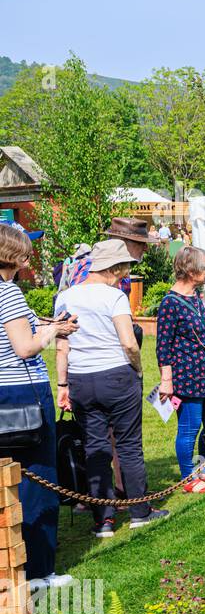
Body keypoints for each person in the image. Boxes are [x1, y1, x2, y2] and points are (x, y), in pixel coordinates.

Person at [54, 240, 169, 538]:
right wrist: (138, 368)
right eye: (126, 267)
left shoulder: (65, 297)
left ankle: (103, 520)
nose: (126, 274)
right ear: (115, 267)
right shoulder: (115, 297)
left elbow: (61, 347)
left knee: (95, 447)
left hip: (81, 377)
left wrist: (62, 384)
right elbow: (129, 341)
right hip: (118, 375)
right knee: (129, 445)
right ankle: (139, 512)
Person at [0, 226, 78, 593]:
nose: (30, 260)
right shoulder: (9, 292)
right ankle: (38, 571)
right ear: (13, 257)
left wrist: (52, 325)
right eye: (26, 253)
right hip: (23, 395)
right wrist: (50, 335)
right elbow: (25, 347)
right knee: (38, 477)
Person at [156, 246, 205, 493]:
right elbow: (163, 345)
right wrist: (166, 381)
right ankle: (188, 479)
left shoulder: (196, 296)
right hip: (186, 376)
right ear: (190, 270)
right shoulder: (170, 302)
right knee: (189, 428)